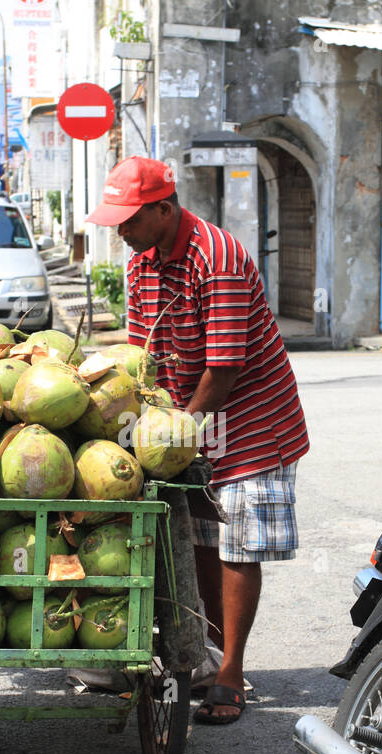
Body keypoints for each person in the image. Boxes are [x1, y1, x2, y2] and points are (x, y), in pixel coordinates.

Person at [86, 156, 310, 725]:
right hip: (185, 416)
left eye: (129, 219)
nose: (121, 231)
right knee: (199, 539)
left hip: (251, 418)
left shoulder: (219, 258)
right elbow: (143, 361)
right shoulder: (141, 265)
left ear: (163, 209)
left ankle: (230, 673)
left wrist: (176, 431)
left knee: (238, 542)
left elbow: (226, 366)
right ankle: (206, 654)